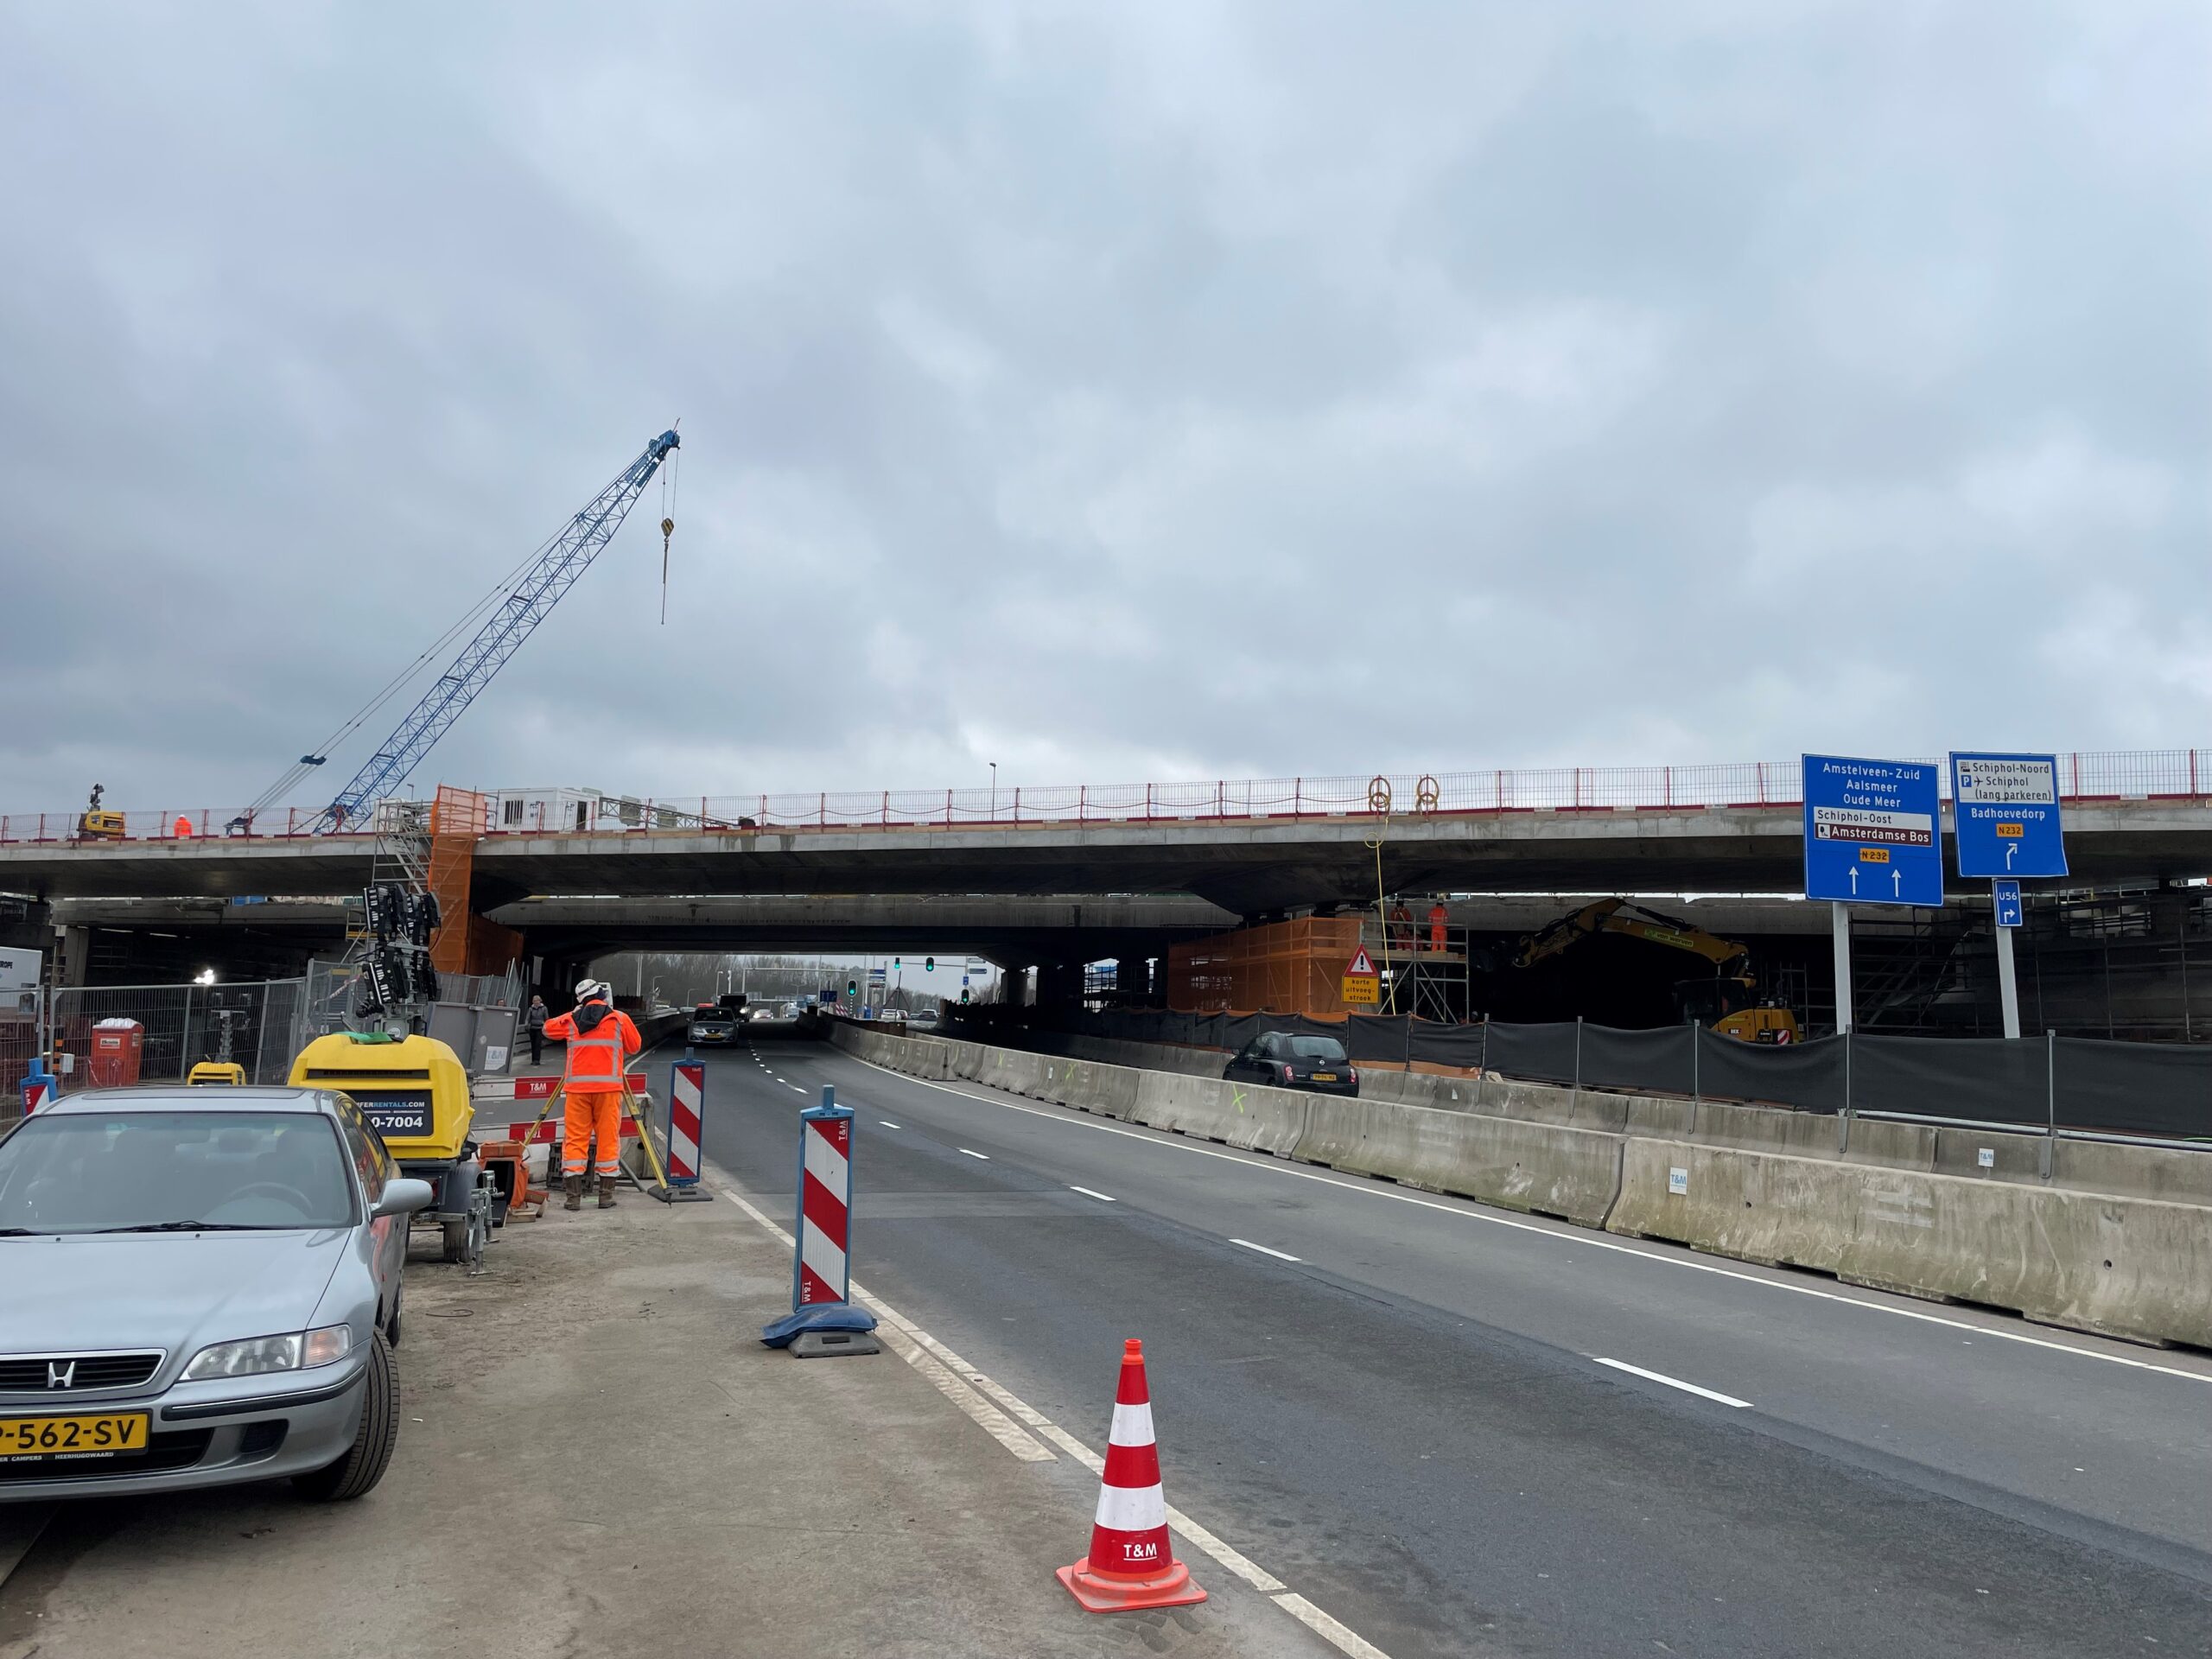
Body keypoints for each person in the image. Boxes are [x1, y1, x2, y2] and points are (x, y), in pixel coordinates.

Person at [541, 979, 642, 1211]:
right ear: (602, 994)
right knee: (608, 1139)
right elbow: (635, 1046)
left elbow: (546, 1028)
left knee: (575, 1140)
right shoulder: (618, 1018)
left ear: (580, 1000)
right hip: (608, 1091)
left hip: (577, 1091)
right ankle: (605, 1196)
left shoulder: (571, 1021)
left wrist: (572, 1013)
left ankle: (573, 1198)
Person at [524, 995, 549, 1065]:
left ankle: (537, 1060)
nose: (536, 1002)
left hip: (540, 1028)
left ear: (540, 1001)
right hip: (532, 1028)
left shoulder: (544, 1008)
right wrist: (526, 1025)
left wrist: (546, 1026)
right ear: (533, 1001)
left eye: (537, 1000)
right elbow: (527, 1018)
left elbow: (547, 1018)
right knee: (533, 1044)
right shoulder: (531, 1009)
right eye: (534, 1001)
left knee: (538, 1044)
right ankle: (533, 1060)